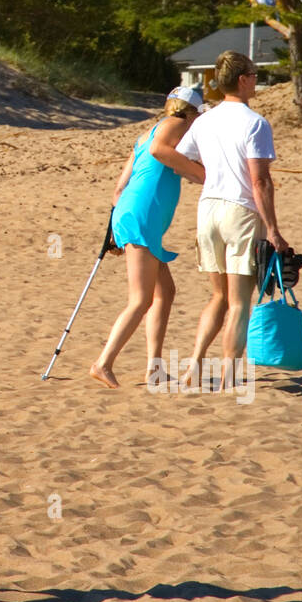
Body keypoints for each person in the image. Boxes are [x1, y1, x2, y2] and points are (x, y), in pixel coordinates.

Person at [176, 50, 290, 391]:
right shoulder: (255, 122)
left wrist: (210, 178)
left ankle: (194, 365)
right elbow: (260, 182)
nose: (257, 80)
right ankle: (227, 374)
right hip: (240, 211)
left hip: (208, 208)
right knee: (239, 300)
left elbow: (181, 159)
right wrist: (273, 229)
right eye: (254, 74)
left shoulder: (205, 119)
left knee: (217, 296)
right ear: (242, 80)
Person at [90, 87, 206, 390]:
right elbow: (162, 155)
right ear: (191, 111)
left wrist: (117, 226)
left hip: (132, 213)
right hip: (142, 218)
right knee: (140, 299)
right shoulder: (177, 125)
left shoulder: (149, 131)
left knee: (165, 292)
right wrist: (206, 176)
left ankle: (154, 368)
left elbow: (119, 187)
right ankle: (103, 363)